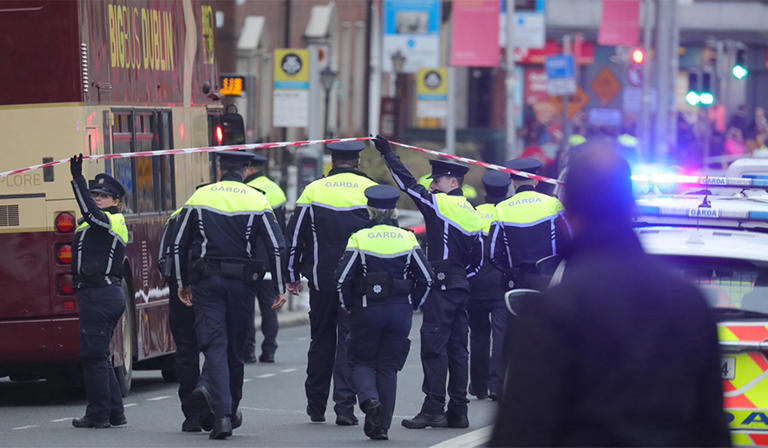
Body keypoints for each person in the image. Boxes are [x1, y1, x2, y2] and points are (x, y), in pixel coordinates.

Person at [488, 141, 731, 446]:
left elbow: (520, 432)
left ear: (570, 213)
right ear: (631, 208)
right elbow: (713, 431)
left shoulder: (551, 311)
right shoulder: (690, 304)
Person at [172, 151, 287, 440]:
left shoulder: (200, 197)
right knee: (236, 349)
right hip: (242, 285)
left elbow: (177, 244)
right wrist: (280, 286)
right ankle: (231, 409)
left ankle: (222, 414)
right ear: (247, 171)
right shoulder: (257, 199)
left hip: (206, 283)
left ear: (219, 169)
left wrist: (182, 283)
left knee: (214, 345)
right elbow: (276, 246)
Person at [372, 136, 483, 430]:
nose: (432, 185)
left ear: (453, 182)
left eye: (438, 180)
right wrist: (462, 277)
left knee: (434, 347)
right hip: (461, 285)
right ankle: (458, 411)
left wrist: (388, 154)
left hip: (442, 285)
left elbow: (408, 185)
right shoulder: (471, 211)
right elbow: (478, 258)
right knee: (459, 350)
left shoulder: (439, 205)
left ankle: (433, 409)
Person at [285, 141, 378, 425]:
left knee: (321, 340)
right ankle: (344, 409)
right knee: (349, 343)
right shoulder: (371, 191)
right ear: (358, 163)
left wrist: (290, 275)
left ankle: (315, 406)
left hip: (322, 280)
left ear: (332, 162)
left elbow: (294, 235)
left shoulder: (314, 190)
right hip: (358, 283)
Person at [335, 185, 435, 441]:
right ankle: (381, 428)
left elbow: (342, 279)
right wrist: (413, 304)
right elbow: (427, 279)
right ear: (393, 210)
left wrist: (347, 305)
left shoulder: (359, 238)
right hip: (400, 312)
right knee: (388, 368)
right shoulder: (408, 238)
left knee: (361, 360)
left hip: (368, 309)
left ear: (370, 211)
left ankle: (369, 401)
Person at [68, 154, 128, 429]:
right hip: (98, 295)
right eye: (95, 194)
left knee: (93, 356)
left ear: (117, 201)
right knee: (100, 354)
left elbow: (91, 214)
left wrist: (78, 180)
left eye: (104, 195)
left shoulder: (112, 221)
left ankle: (98, 413)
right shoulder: (93, 223)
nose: (98, 198)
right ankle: (115, 413)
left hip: (101, 294)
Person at [489, 158, 570, 291]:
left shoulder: (501, 209)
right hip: (551, 282)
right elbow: (569, 239)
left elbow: (493, 254)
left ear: (513, 183)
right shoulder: (553, 204)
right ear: (536, 180)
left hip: (519, 284)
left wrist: (511, 271)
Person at [158, 206, 202, 432]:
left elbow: (163, 258)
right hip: (214, 289)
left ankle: (192, 416)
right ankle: (218, 406)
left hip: (181, 290)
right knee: (219, 348)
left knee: (186, 352)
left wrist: (181, 283)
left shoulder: (177, 216)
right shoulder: (228, 209)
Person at [467, 170, 510, 402]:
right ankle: (496, 384)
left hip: (476, 282)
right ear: (506, 190)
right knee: (501, 333)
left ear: (484, 190)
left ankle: (479, 384)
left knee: (478, 335)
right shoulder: (508, 213)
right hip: (501, 281)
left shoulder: (473, 212)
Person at [243, 153, 287, 364]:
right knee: (269, 306)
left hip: (248, 260)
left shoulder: (246, 191)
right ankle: (269, 350)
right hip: (269, 261)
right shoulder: (276, 190)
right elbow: (282, 231)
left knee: (247, 307)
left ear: (249, 169)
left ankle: (248, 350)